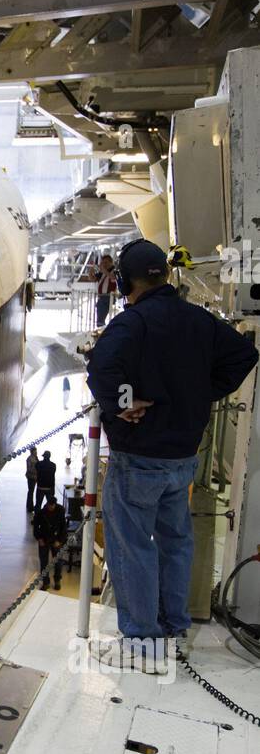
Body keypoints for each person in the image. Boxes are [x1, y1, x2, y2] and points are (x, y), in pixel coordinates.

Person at [87, 238, 258, 672]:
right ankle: (174, 624)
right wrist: (202, 393)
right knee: (176, 540)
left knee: (132, 545)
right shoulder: (198, 320)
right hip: (182, 457)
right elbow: (244, 354)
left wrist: (123, 402)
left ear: (125, 282)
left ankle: (144, 640)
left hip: (139, 456)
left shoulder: (133, 324)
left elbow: (101, 367)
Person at [33, 496, 68, 590]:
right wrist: (39, 539)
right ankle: (45, 582)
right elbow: (36, 526)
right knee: (44, 562)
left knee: (58, 561)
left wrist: (60, 541)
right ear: (47, 504)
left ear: (55, 504)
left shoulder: (60, 511)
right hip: (44, 539)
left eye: (53, 506)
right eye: (49, 505)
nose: (51, 507)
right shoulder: (41, 513)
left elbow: (63, 528)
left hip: (57, 539)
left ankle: (57, 581)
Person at [95, 254, 118, 328]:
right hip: (101, 297)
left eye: (106, 262)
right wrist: (91, 272)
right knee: (99, 318)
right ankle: (100, 329)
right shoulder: (103, 273)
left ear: (111, 262)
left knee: (100, 319)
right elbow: (92, 279)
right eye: (103, 262)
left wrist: (104, 270)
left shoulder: (113, 271)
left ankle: (102, 332)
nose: (104, 264)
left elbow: (113, 278)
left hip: (107, 297)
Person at [33, 449, 57, 514]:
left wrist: (37, 459)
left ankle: (37, 519)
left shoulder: (39, 464)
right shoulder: (53, 465)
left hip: (40, 487)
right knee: (50, 504)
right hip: (49, 488)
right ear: (49, 457)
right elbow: (53, 476)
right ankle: (49, 518)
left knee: (38, 504)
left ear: (43, 456)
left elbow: (36, 466)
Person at [24, 447, 38, 513]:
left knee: (31, 491)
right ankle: (30, 506)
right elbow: (29, 469)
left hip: (35, 477)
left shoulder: (35, 457)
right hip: (31, 477)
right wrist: (37, 471)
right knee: (31, 491)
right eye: (35, 451)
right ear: (32, 452)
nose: (36, 452)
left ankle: (29, 505)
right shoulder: (29, 459)